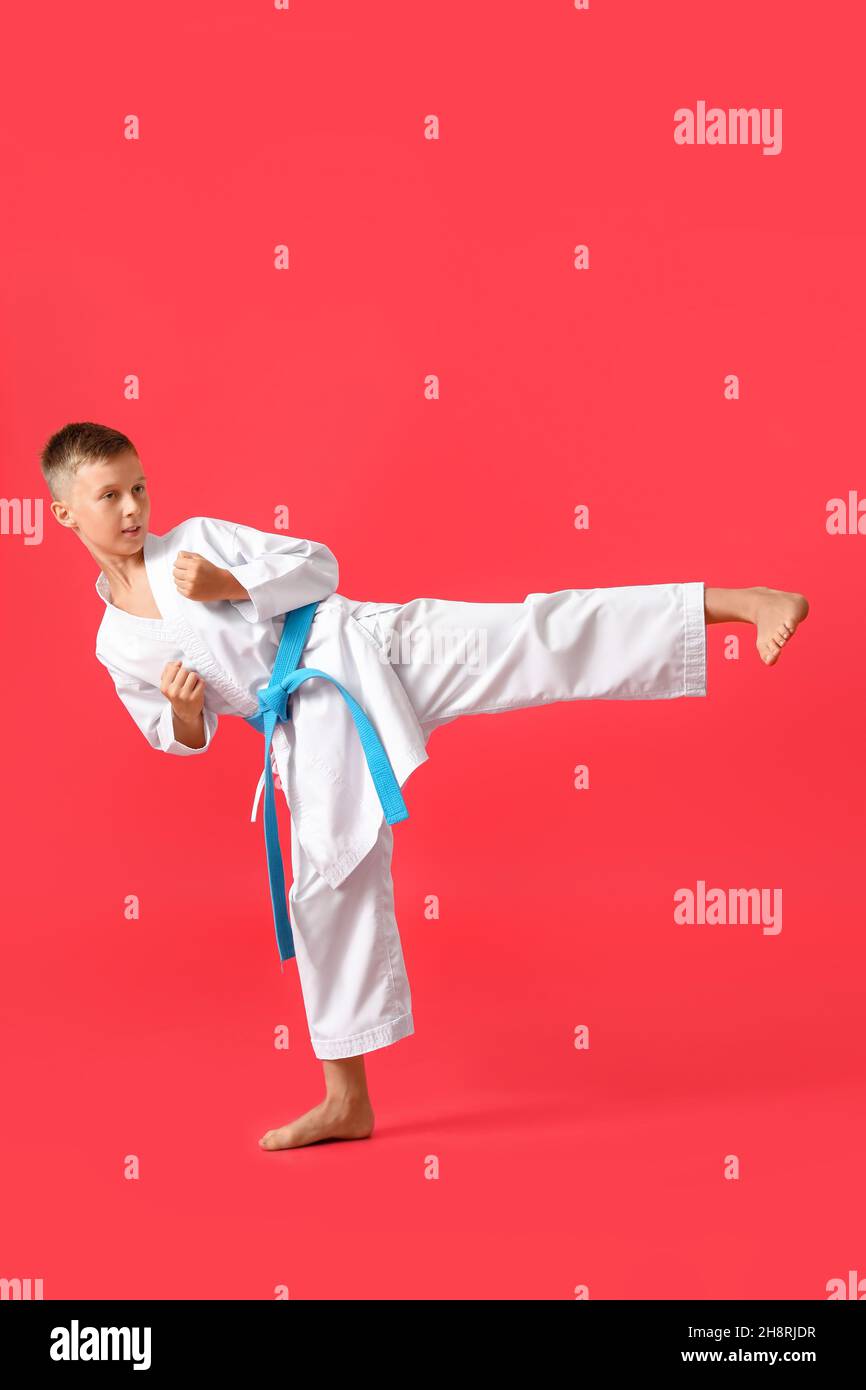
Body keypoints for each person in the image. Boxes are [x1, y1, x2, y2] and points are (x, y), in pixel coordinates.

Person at [40, 421, 810, 1151]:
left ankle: (740, 602)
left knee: (530, 635)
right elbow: (175, 736)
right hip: (306, 729)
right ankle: (348, 1100)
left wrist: (231, 581)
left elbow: (319, 566)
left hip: (363, 647)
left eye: (139, 486)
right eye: (110, 496)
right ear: (66, 510)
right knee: (322, 888)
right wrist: (183, 714)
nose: (135, 506)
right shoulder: (117, 643)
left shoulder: (200, 542)